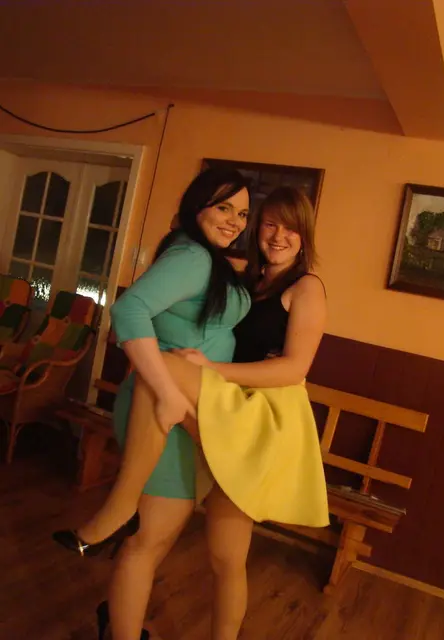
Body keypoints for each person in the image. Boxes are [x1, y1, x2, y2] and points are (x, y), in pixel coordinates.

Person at [55, 185, 328, 640]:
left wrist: (209, 367)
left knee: (227, 559)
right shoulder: (247, 281)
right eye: (270, 224)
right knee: (160, 373)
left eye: (292, 228)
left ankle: (120, 509)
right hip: (220, 406)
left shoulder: (308, 287)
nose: (279, 236)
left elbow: (294, 369)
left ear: (305, 236)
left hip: (258, 418)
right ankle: (122, 516)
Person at [54, 166, 251, 639]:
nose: (235, 221)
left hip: (187, 408)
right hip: (166, 412)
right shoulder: (193, 256)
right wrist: (166, 393)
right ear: (199, 206)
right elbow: (128, 309)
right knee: (147, 541)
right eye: (224, 207)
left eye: (243, 213)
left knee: (154, 540)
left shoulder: (201, 256)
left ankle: (117, 620)